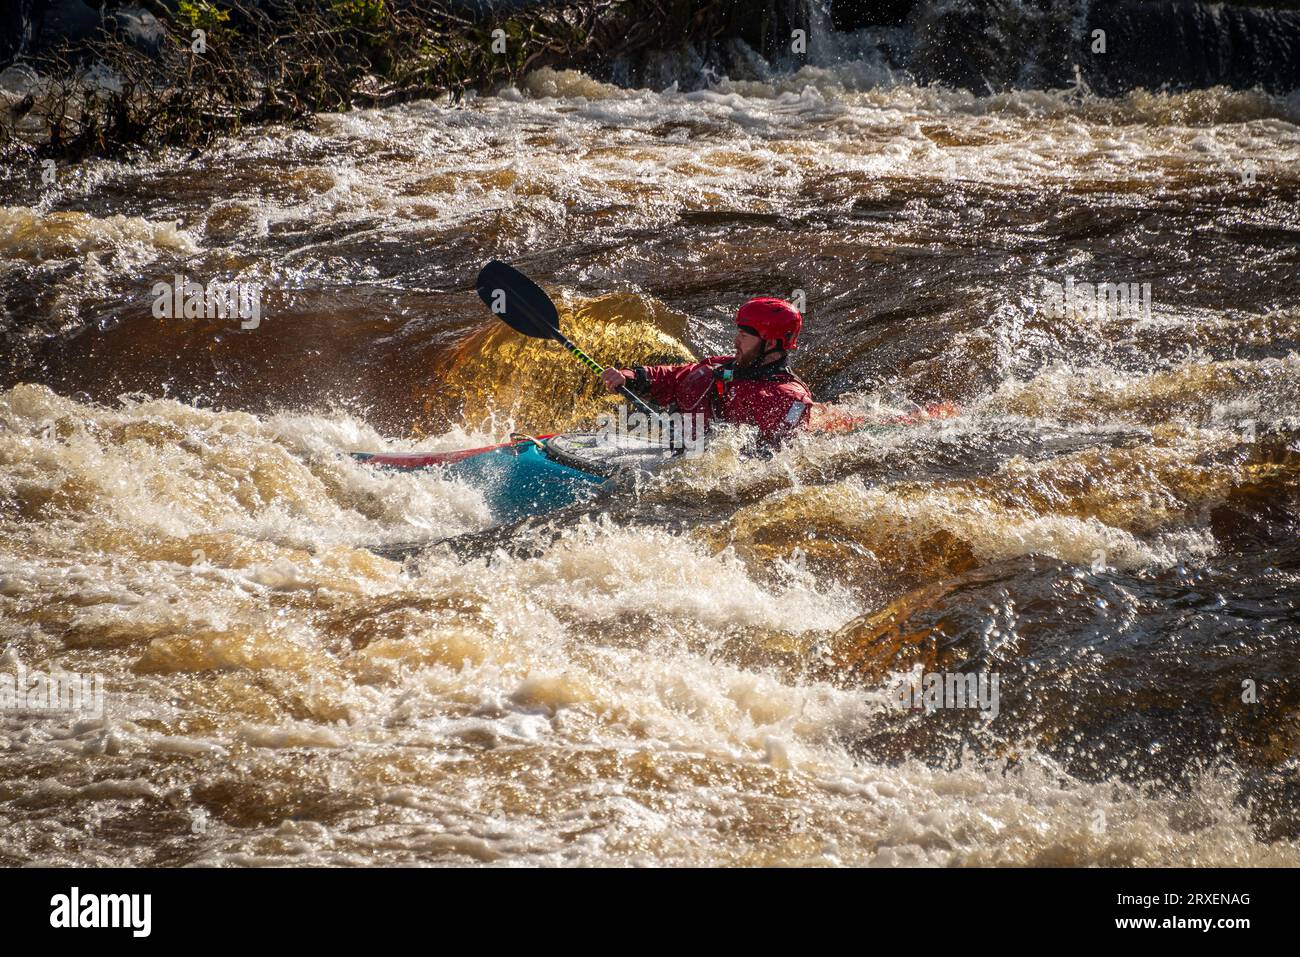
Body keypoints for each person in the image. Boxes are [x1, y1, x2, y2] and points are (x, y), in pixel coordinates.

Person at [601, 297, 813, 447]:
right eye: (738, 333)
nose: (736, 341)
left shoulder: (789, 398)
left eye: (745, 336)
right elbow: (672, 378)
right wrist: (630, 377)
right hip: (686, 454)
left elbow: (779, 458)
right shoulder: (721, 369)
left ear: (771, 344)